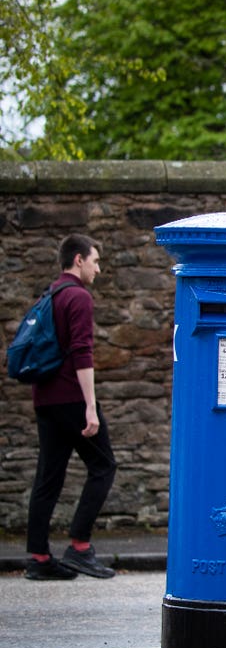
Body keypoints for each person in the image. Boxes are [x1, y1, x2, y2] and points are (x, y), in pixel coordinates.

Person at [24, 234, 117, 581]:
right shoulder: (77, 296)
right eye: (94, 261)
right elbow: (82, 352)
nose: (98, 268)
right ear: (78, 260)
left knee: (48, 477)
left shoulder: (50, 294)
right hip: (70, 397)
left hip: (45, 397)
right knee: (104, 465)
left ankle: (38, 557)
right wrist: (90, 407)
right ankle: (79, 546)